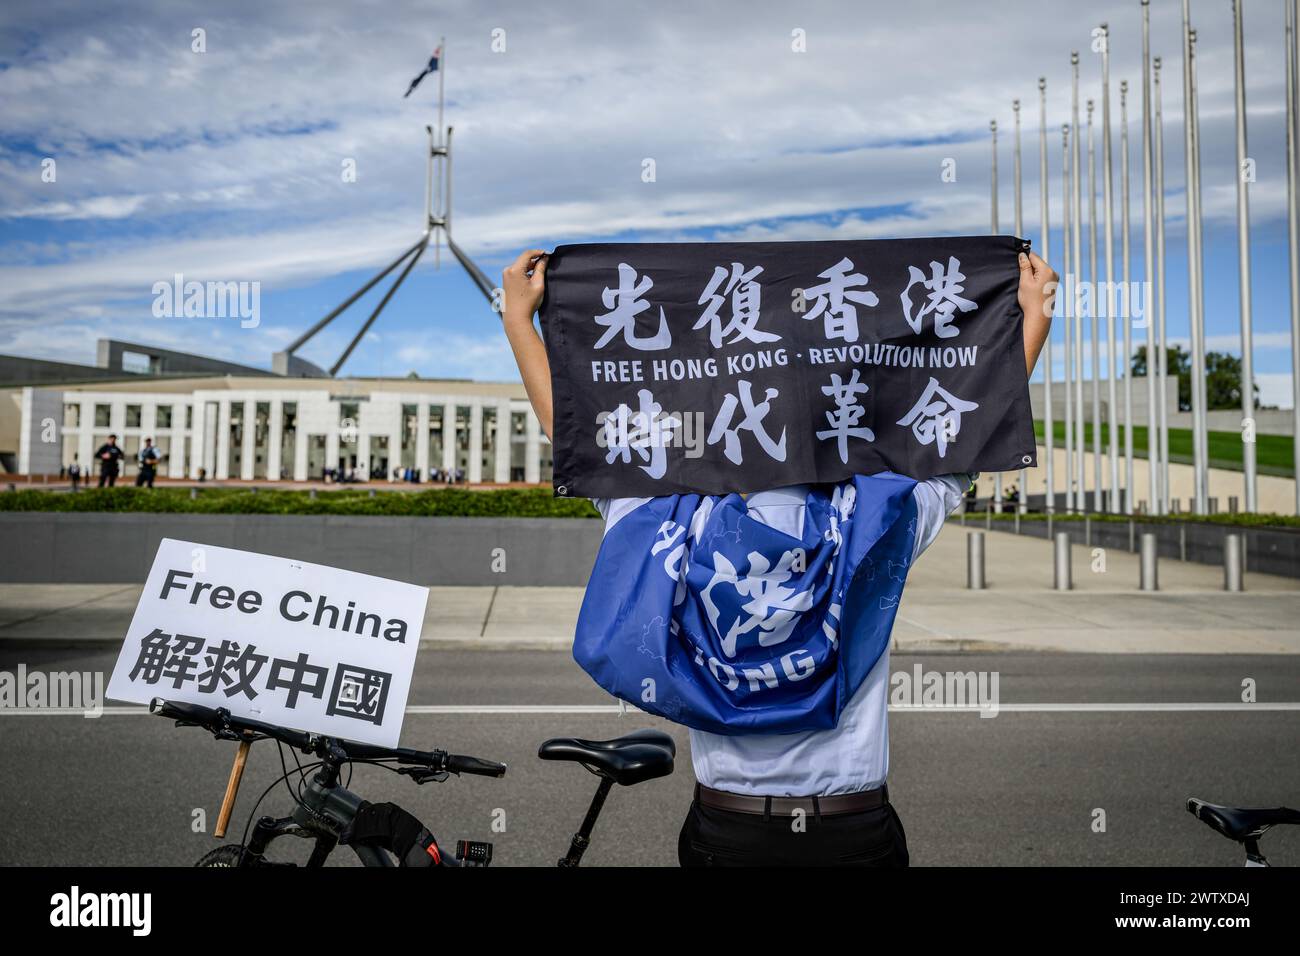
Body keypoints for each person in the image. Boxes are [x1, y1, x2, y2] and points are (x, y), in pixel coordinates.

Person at [500, 246, 1057, 867]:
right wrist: (1030, 319)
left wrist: (519, 322)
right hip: (851, 832)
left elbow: (581, 440)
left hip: (729, 829)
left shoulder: (678, 522)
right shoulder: (869, 520)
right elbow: (960, 443)